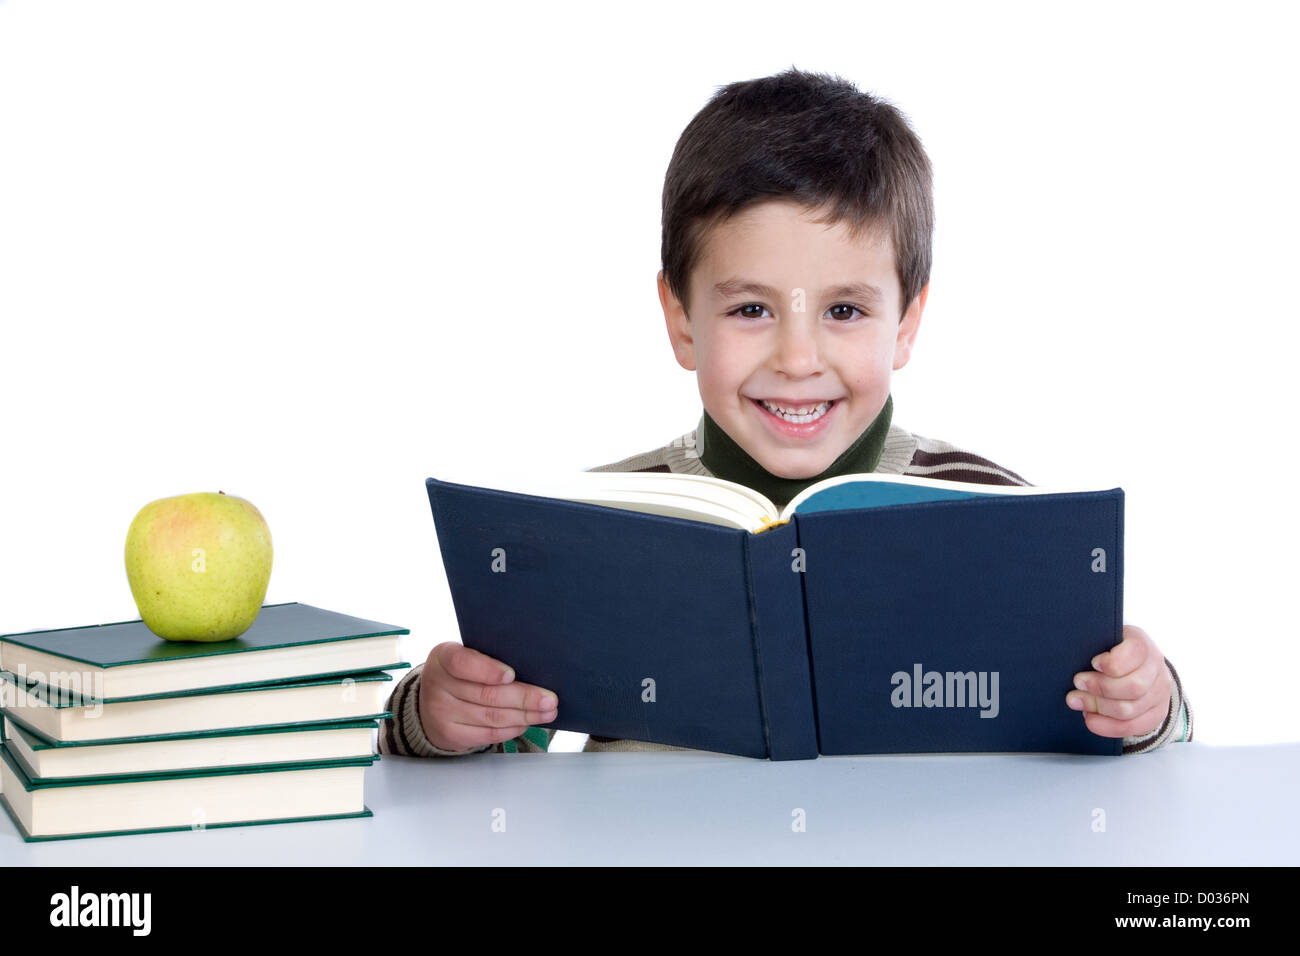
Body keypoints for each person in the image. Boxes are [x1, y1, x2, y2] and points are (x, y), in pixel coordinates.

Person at [379, 68, 1192, 760]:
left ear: (906, 323)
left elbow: (1126, 750)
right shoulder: (591, 531)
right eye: (750, 311)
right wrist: (438, 715)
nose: (798, 360)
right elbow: (491, 748)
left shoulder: (997, 512)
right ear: (680, 319)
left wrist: (1147, 708)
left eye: (844, 312)